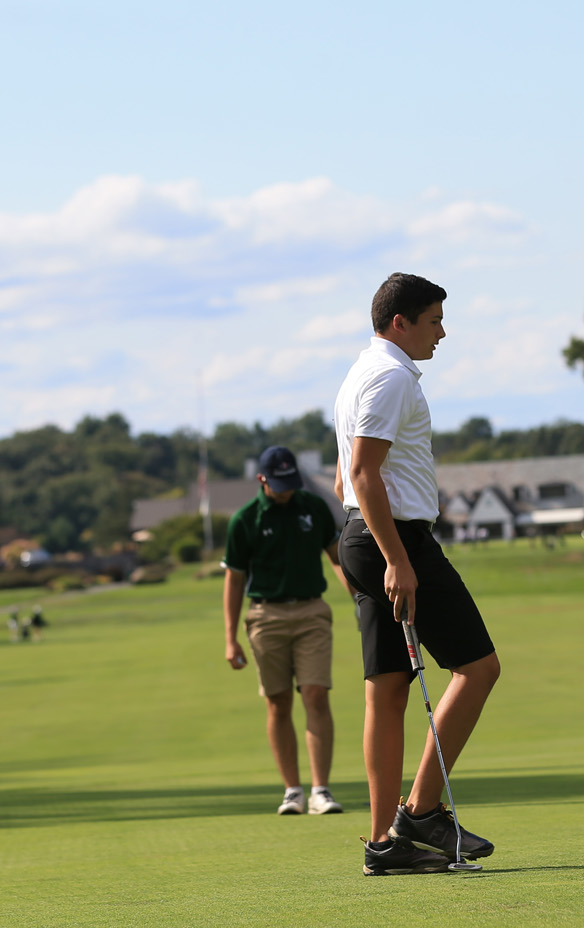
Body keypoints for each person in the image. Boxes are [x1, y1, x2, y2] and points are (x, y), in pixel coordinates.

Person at [333, 272, 501, 876]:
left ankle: (385, 844)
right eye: (433, 320)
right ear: (399, 323)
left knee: (388, 690)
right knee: (479, 667)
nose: (442, 331)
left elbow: (343, 478)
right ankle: (422, 812)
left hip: (363, 536)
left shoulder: (359, 373)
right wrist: (398, 560)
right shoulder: (390, 376)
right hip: (393, 540)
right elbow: (365, 473)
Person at [223, 445, 351, 816]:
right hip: (265, 615)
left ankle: (320, 791)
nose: (286, 489)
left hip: (312, 610)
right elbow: (234, 581)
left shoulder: (312, 507)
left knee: (315, 694)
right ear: (261, 479)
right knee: (278, 701)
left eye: (290, 481)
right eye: (279, 483)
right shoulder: (244, 520)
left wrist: (361, 599)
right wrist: (230, 638)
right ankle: (292, 790)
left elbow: (337, 559)